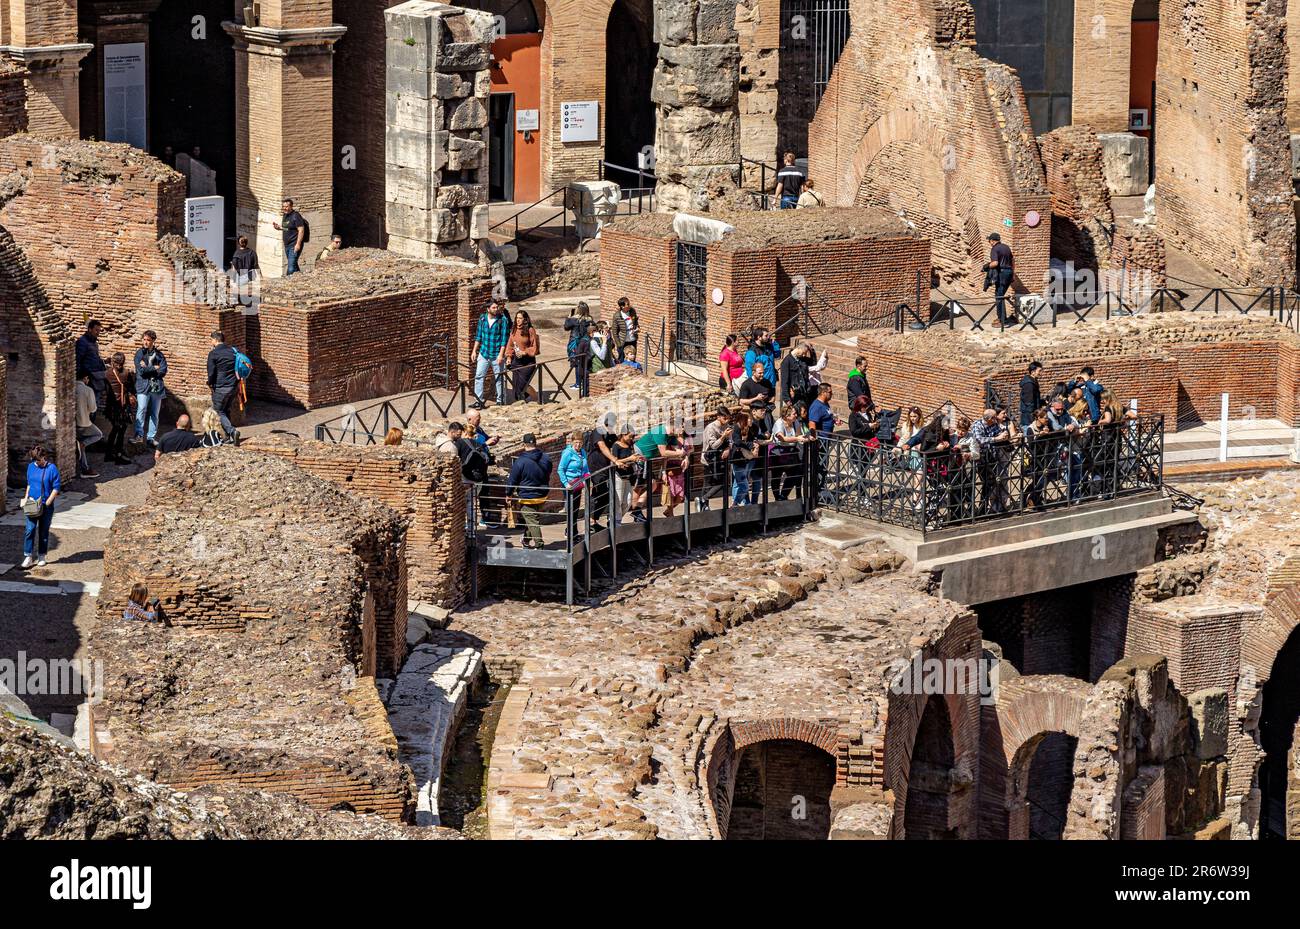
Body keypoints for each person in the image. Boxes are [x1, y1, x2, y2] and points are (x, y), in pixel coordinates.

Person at [505, 433, 553, 548]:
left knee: (532, 521)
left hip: (527, 497)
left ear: (523, 445)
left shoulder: (520, 461)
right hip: (542, 495)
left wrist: (508, 494)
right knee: (532, 519)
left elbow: (512, 480)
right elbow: (549, 471)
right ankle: (526, 540)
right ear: (535, 443)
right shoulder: (546, 458)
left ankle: (539, 545)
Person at [630, 422, 683, 521]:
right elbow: (664, 453)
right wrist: (680, 454)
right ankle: (636, 512)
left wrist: (684, 456)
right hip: (640, 458)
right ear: (675, 427)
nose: (682, 430)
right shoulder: (660, 432)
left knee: (651, 484)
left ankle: (636, 511)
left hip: (647, 460)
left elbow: (678, 450)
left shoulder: (671, 436)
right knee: (640, 487)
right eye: (682, 427)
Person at [20, 445, 60, 569]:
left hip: (45, 506)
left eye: (39, 459)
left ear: (43, 457)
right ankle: (28, 557)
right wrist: (26, 499)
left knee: (43, 531)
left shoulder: (51, 468)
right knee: (29, 530)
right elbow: (29, 484)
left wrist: (48, 502)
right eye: (35, 460)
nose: (37, 462)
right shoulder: (31, 467)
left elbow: (56, 487)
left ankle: (42, 556)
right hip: (32, 504)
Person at [471, 300, 511, 409]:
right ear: (488, 309)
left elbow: (504, 340)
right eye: (493, 308)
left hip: (496, 354)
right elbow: (478, 336)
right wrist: (474, 350)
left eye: (496, 307)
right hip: (484, 353)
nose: (496, 309)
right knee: (479, 376)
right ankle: (478, 400)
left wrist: (501, 355)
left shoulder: (502, 320)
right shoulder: (482, 319)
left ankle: (500, 400)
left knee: (499, 378)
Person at [771, 404, 814, 500]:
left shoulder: (796, 423)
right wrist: (797, 438)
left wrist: (806, 437)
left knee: (795, 474)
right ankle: (777, 497)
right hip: (779, 451)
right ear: (787, 416)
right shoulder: (779, 423)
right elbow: (782, 438)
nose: (796, 415)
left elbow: (799, 435)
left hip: (791, 451)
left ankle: (783, 495)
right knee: (776, 476)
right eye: (794, 414)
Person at [133, 331, 168, 446]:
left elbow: (163, 371)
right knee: (141, 409)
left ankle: (151, 438)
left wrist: (148, 367)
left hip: (156, 386)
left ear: (153, 341)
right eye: (144, 339)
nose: (145, 342)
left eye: (148, 340)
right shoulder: (139, 354)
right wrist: (154, 368)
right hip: (143, 386)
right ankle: (139, 435)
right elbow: (141, 371)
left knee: (154, 413)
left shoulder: (159, 355)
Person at [206, 330, 239, 442]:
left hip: (221, 387)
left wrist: (210, 383)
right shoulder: (233, 351)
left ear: (215, 340)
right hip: (234, 386)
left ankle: (232, 431)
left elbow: (211, 372)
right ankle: (228, 438)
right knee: (226, 410)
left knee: (219, 411)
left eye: (211, 339)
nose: (211, 342)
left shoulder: (214, 353)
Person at [103, 352, 136, 464]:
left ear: (113, 362)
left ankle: (108, 454)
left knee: (115, 429)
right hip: (122, 407)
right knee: (121, 430)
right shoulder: (126, 374)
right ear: (123, 362)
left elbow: (107, 390)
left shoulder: (107, 374)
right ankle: (118, 455)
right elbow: (132, 388)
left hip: (111, 407)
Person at [698, 407, 732, 510]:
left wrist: (728, 448)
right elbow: (713, 445)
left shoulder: (726, 425)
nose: (727, 420)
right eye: (724, 417)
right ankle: (704, 504)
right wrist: (723, 436)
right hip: (709, 460)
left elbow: (731, 441)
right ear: (718, 417)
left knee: (724, 481)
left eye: (728, 418)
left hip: (720, 459)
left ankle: (703, 500)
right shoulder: (711, 428)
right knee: (707, 483)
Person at [503, 309, 539, 402]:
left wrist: (525, 352)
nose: (518, 320)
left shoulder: (530, 330)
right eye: (517, 318)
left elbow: (535, 347)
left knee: (523, 385)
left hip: (527, 362)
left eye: (520, 318)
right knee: (516, 388)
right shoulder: (514, 330)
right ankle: (522, 403)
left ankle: (536, 400)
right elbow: (510, 345)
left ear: (525, 319)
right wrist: (509, 357)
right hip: (517, 362)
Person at [728, 411, 761, 504]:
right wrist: (751, 445)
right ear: (744, 420)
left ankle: (740, 503)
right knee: (741, 483)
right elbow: (737, 441)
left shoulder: (753, 427)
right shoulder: (736, 428)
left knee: (742, 481)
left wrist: (756, 445)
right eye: (749, 418)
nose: (751, 420)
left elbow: (754, 438)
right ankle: (736, 503)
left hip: (748, 458)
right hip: (738, 459)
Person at [609, 427, 642, 520]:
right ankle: (615, 522)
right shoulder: (616, 445)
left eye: (633, 437)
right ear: (623, 435)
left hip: (629, 477)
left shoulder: (630, 444)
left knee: (627, 502)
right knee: (618, 501)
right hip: (619, 477)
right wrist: (629, 459)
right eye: (630, 436)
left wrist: (635, 458)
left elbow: (632, 456)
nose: (632, 438)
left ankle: (615, 520)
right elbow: (615, 461)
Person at [983, 232, 1015, 328]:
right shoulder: (1006, 247)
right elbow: (1013, 261)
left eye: (989, 241)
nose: (989, 243)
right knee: (999, 295)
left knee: (999, 296)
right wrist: (1012, 273)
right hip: (1009, 272)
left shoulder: (995, 249)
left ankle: (1002, 320)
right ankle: (1000, 317)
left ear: (992, 241)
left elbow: (995, 263)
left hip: (1002, 274)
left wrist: (987, 266)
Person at [75, 370, 103, 478]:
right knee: (98, 434)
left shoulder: (70, 387)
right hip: (83, 422)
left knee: (81, 445)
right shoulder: (87, 390)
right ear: (85, 378)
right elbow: (92, 408)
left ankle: (85, 468)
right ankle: (83, 444)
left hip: (70, 424)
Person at [564, 301, 594, 394]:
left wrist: (568, 317)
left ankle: (578, 383)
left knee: (576, 363)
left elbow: (566, 327)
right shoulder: (590, 320)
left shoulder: (573, 319)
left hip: (574, 344)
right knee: (585, 362)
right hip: (585, 342)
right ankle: (584, 382)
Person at [76, 319, 107, 407]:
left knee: (94, 403)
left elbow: (94, 358)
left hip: (95, 377)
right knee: (88, 405)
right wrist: (81, 377)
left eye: (99, 331)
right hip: (87, 378)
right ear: (90, 329)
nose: (98, 333)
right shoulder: (82, 342)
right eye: (96, 330)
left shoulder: (94, 343)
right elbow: (78, 360)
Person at [272, 198, 307, 275]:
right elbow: (288, 228)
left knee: (290, 268)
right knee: (293, 264)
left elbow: (301, 230)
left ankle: (288, 281)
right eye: (283, 206)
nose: (285, 208)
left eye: (287, 206)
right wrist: (279, 228)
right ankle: (299, 277)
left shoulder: (296, 216)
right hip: (287, 245)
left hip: (294, 244)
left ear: (291, 206)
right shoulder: (285, 215)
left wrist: (298, 244)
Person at [229, 234, 260, 302]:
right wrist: (260, 276)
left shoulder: (236, 253)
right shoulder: (252, 253)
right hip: (249, 275)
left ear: (239, 244)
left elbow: (233, 268)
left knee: (236, 287)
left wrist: (232, 279)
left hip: (240, 276)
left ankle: (237, 300)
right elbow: (256, 266)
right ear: (246, 242)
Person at [611, 297, 639, 364]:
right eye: (627, 304)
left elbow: (635, 322)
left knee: (632, 358)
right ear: (622, 306)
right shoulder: (617, 316)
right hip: (623, 341)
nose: (629, 305)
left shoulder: (632, 311)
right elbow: (614, 331)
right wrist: (619, 344)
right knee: (622, 360)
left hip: (632, 339)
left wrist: (637, 329)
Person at [1019, 361, 1043, 429]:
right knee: (1028, 430)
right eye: (1039, 371)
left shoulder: (1033, 380)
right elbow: (1028, 401)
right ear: (1033, 372)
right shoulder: (1029, 384)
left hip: (1031, 412)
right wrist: (1034, 415)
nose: (1041, 373)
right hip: (1028, 415)